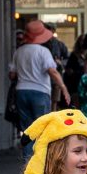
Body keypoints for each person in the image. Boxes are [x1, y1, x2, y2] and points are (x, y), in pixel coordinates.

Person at [9, 20, 70, 159]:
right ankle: (41, 160)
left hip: (21, 91)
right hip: (40, 92)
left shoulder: (18, 51)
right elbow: (52, 71)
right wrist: (63, 88)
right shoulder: (43, 51)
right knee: (42, 127)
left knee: (27, 129)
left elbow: (12, 75)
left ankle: (28, 161)